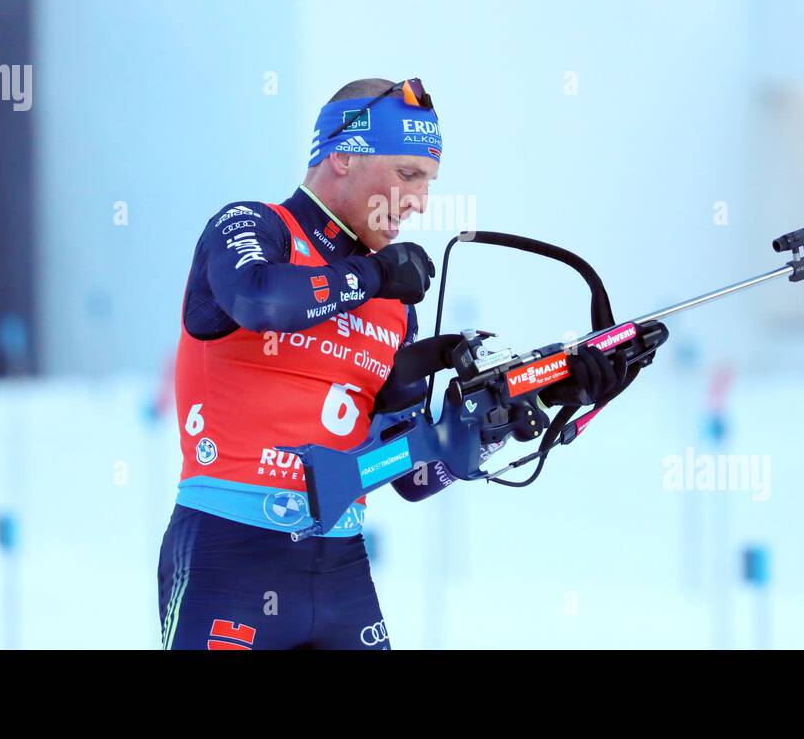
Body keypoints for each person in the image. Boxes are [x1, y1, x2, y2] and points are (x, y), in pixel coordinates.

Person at [157, 77, 620, 650]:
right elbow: (260, 299)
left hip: (342, 573)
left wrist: (539, 400)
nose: (420, 201)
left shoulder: (394, 307)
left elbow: (413, 477)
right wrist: (370, 276)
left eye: (428, 183)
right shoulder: (256, 227)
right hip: (229, 554)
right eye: (407, 175)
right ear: (344, 155)